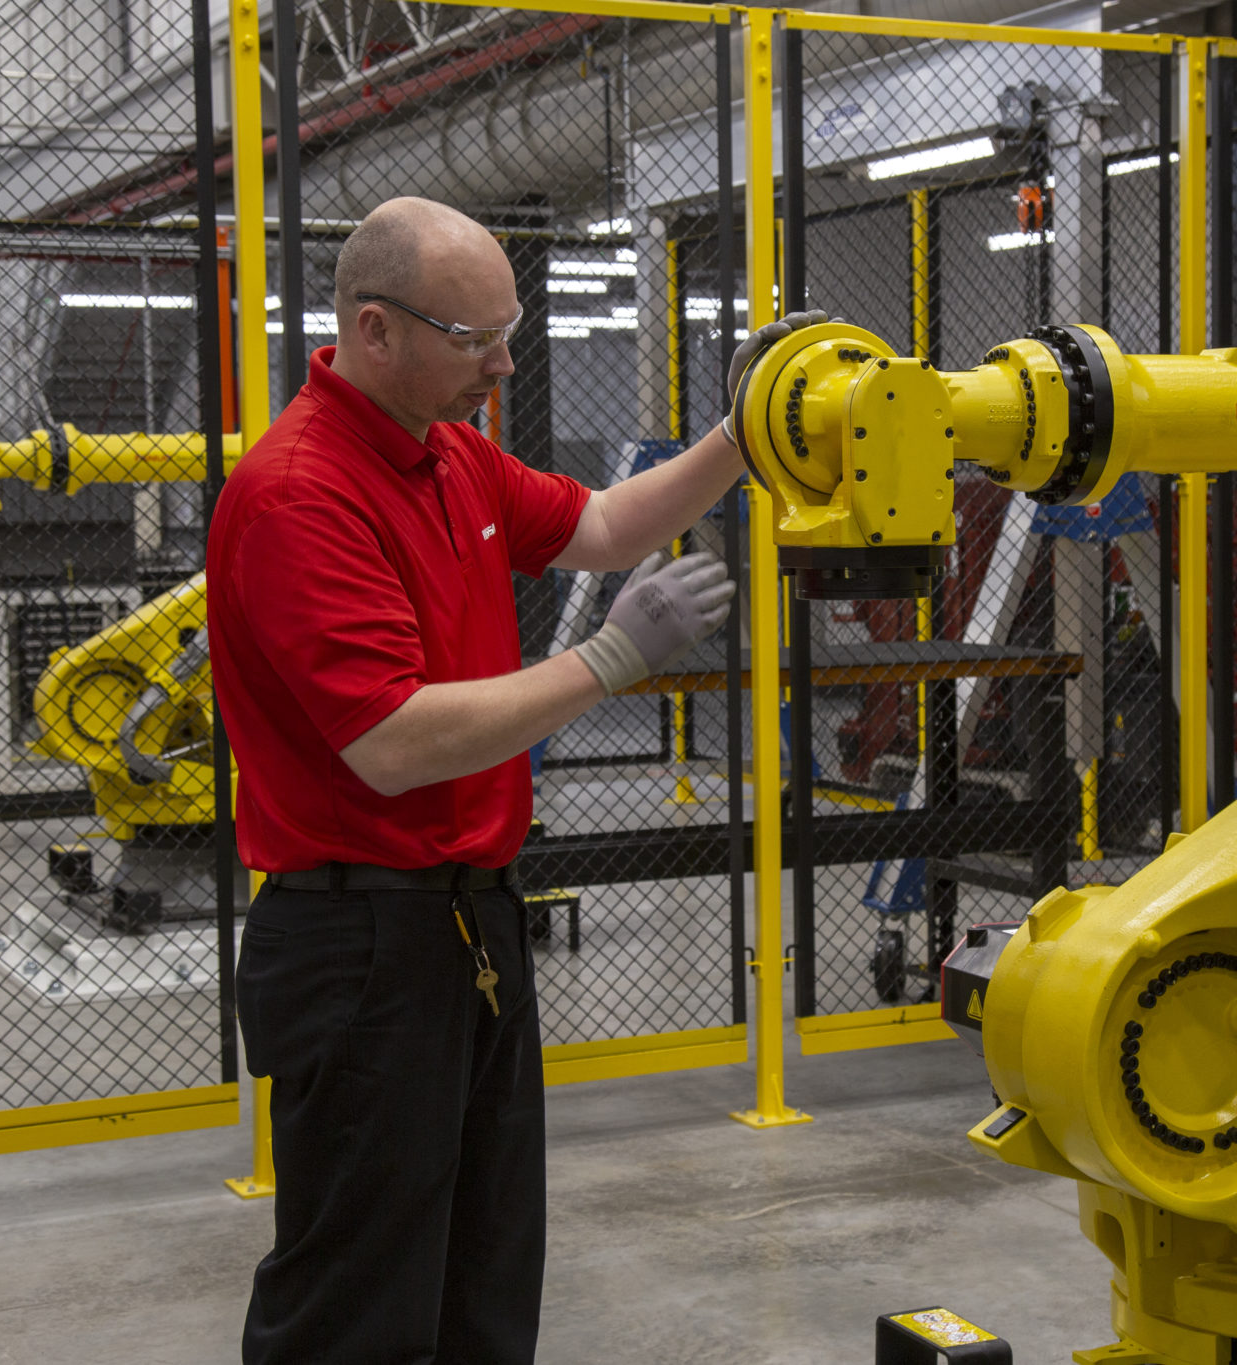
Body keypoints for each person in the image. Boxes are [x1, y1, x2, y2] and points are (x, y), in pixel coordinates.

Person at [211, 195, 820, 1363]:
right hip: (360, 942)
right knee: (359, 1301)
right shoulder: (302, 492)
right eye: (474, 341)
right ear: (375, 329)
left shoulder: (448, 453)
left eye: (510, 335)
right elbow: (390, 741)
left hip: (469, 920)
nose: (500, 367)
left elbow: (603, 526)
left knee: (485, 1271)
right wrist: (608, 660)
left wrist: (743, 434)